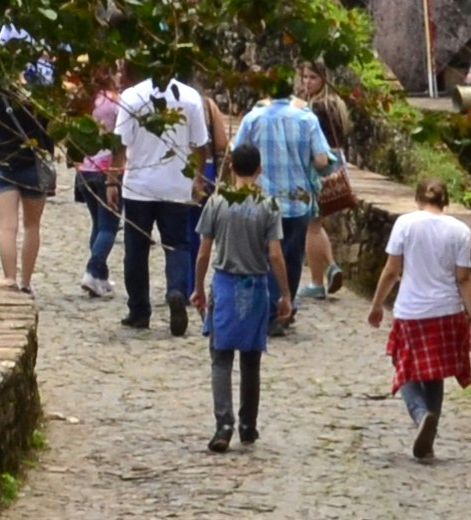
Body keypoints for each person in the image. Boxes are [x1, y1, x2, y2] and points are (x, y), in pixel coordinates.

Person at [368, 171, 471, 461]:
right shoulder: (460, 231)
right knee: (435, 374)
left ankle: (420, 416)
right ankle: (428, 437)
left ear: (417, 199)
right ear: (446, 202)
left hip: (411, 311)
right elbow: (463, 279)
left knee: (404, 369)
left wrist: (377, 304)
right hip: (447, 312)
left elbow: (391, 271)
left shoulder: (405, 224)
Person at [229, 68, 344, 330]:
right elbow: (322, 160)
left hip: (260, 200)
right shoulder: (306, 118)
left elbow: (237, 154)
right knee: (291, 257)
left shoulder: (253, 117)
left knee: (263, 255)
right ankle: (285, 308)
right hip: (297, 200)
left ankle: (265, 310)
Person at [111, 72, 214, 334]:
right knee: (176, 244)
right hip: (175, 185)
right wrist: (198, 179)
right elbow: (201, 145)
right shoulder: (190, 98)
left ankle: (139, 310)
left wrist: (112, 180)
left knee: (136, 249)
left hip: (139, 186)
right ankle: (177, 290)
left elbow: (119, 144)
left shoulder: (132, 97)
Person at [198, 162, 282, 449]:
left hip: (224, 286)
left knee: (220, 359)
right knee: (251, 360)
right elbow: (275, 255)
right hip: (256, 288)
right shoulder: (268, 205)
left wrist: (197, 287)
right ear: (259, 169)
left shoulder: (217, 202)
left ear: (231, 167)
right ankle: (248, 424)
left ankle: (223, 425)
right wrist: (284, 294)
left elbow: (204, 253)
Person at [0, 55, 56, 290]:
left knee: (7, 228)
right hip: (32, 164)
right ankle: (26, 282)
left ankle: (9, 280)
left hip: (3, 161)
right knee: (32, 227)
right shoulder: (41, 95)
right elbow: (50, 128)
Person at [73, 67, 124, 300]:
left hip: (85, 168)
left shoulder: (83, 101)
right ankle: (92, 270)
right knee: (109, 227)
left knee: (97, 224)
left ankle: (101, 277)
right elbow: (120, 140)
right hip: (107, 169)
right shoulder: (115, 103)